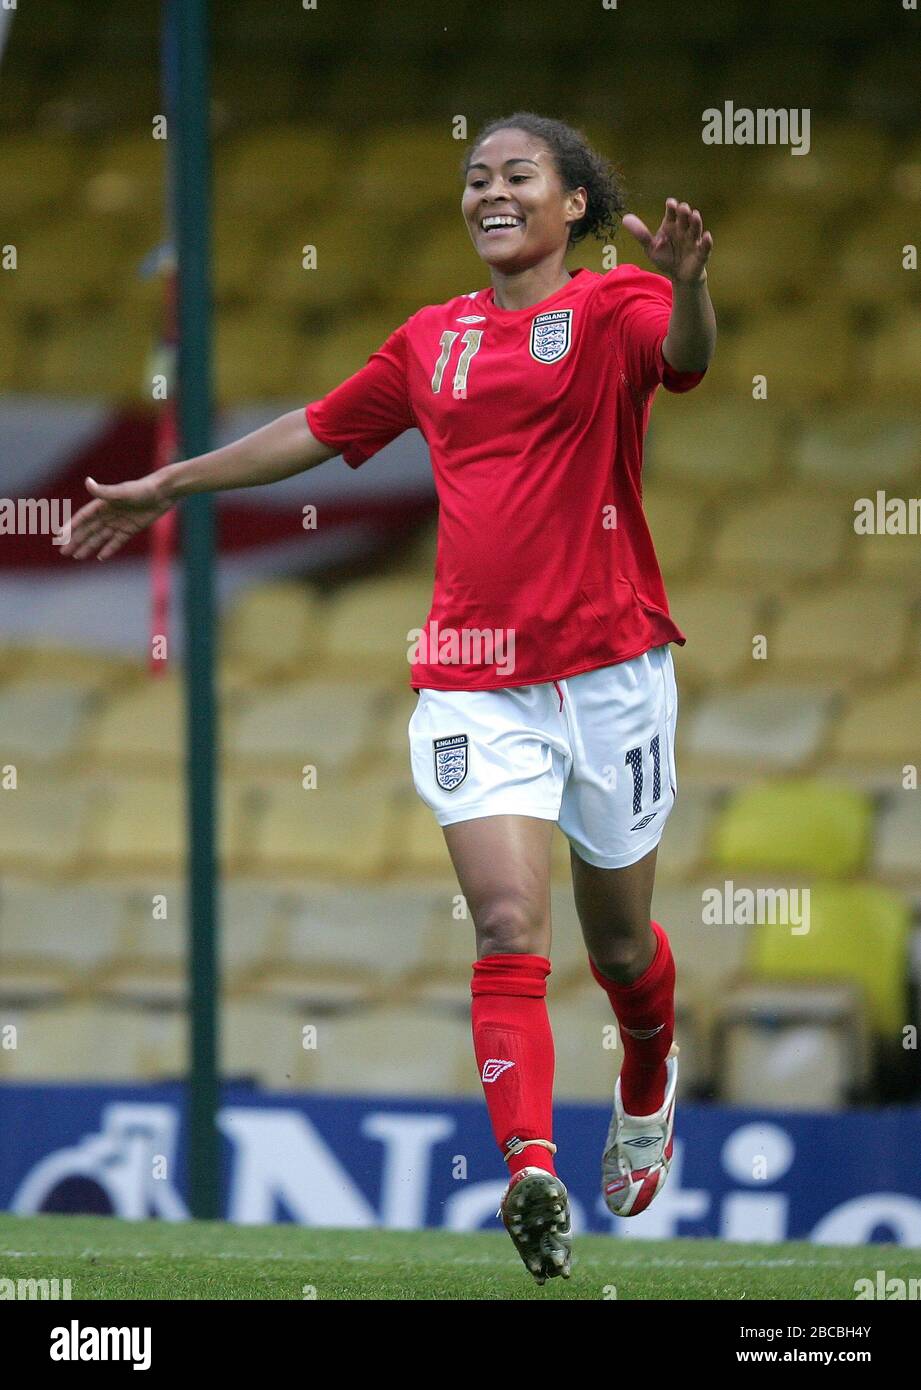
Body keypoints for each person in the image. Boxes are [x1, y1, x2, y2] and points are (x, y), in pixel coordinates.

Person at [61, 112, 715, 1285]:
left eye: (518, 176)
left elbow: (691, 359)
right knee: (510, 923)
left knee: (619, 947)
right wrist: (172, 482)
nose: (490, 192)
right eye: (476, 177)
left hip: (614, 670)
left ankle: (648, 1067)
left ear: (575, 206)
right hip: (472, 676)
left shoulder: (618, 306)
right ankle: (530, 1167)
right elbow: (312, 431)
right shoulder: (431, 340)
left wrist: (691, 283)